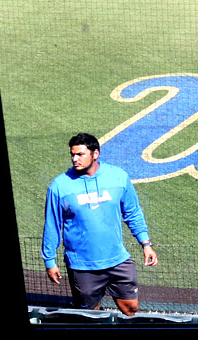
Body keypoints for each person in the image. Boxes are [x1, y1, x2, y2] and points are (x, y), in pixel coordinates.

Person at [42, 132, 157, 315]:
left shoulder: (118, 177)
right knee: (90, 316)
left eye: (80, 154)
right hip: (83, 266)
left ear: (95, 154)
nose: (75, 159)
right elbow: (52, 225)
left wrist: (146, 244)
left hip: (118, 260)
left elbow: (132, 212)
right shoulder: (60, 186)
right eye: (73, 154)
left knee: (131, 308)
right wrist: (49, 260)